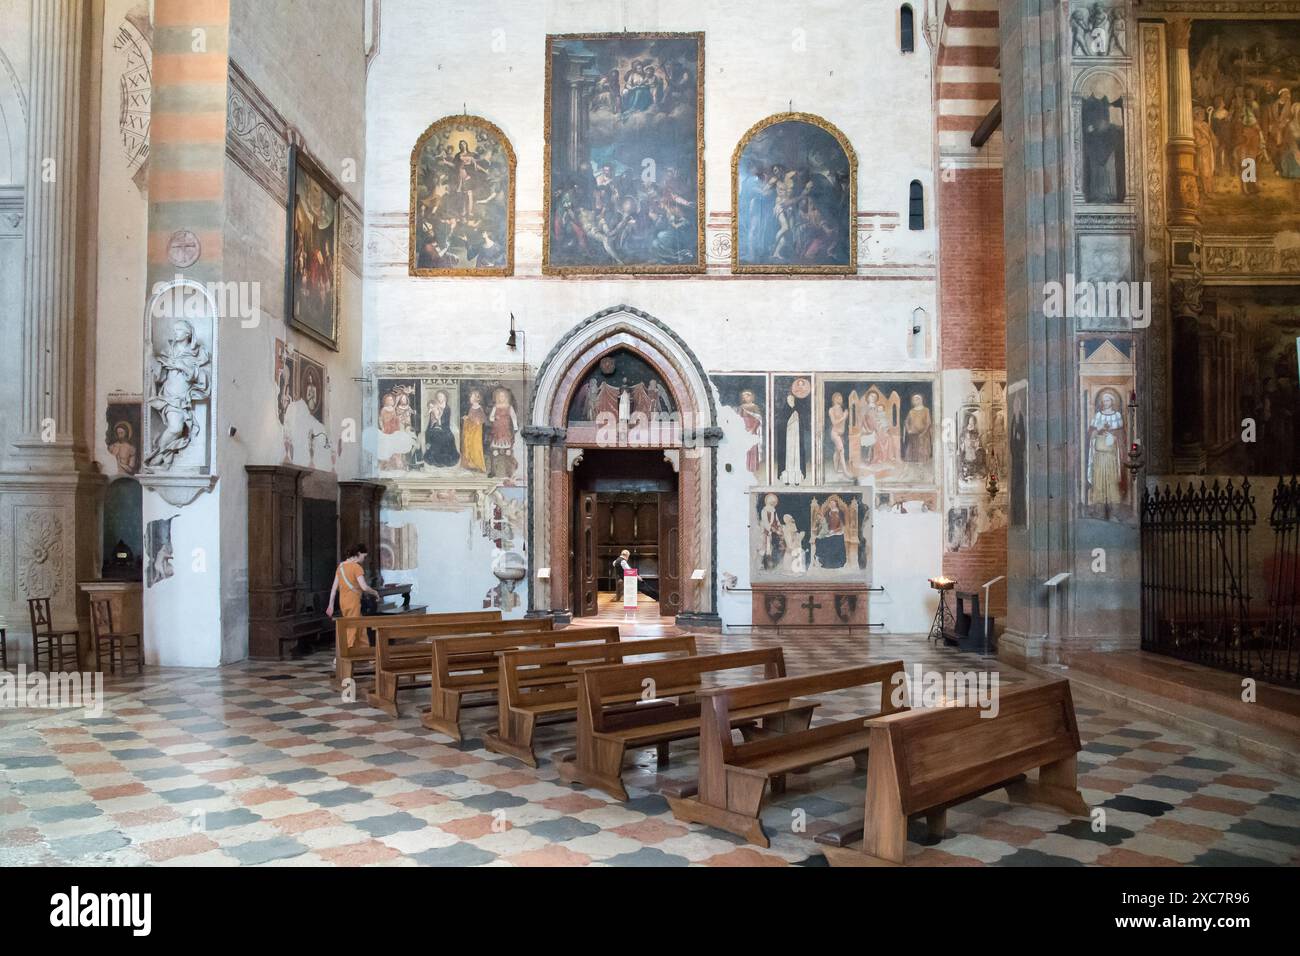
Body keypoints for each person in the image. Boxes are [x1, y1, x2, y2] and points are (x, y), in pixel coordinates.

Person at [326, 544, 381, 645]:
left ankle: (364, 653)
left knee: (361, 628)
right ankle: (344, 656)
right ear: (359, 554)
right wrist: (375, 592)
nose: (364, 559)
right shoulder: (356, 568)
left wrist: (331, 605)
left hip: (343, 602)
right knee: (352, 628)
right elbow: (364, 587)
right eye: (364, 557)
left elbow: (334, 589)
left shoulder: (341, 567)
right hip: (353, 602)